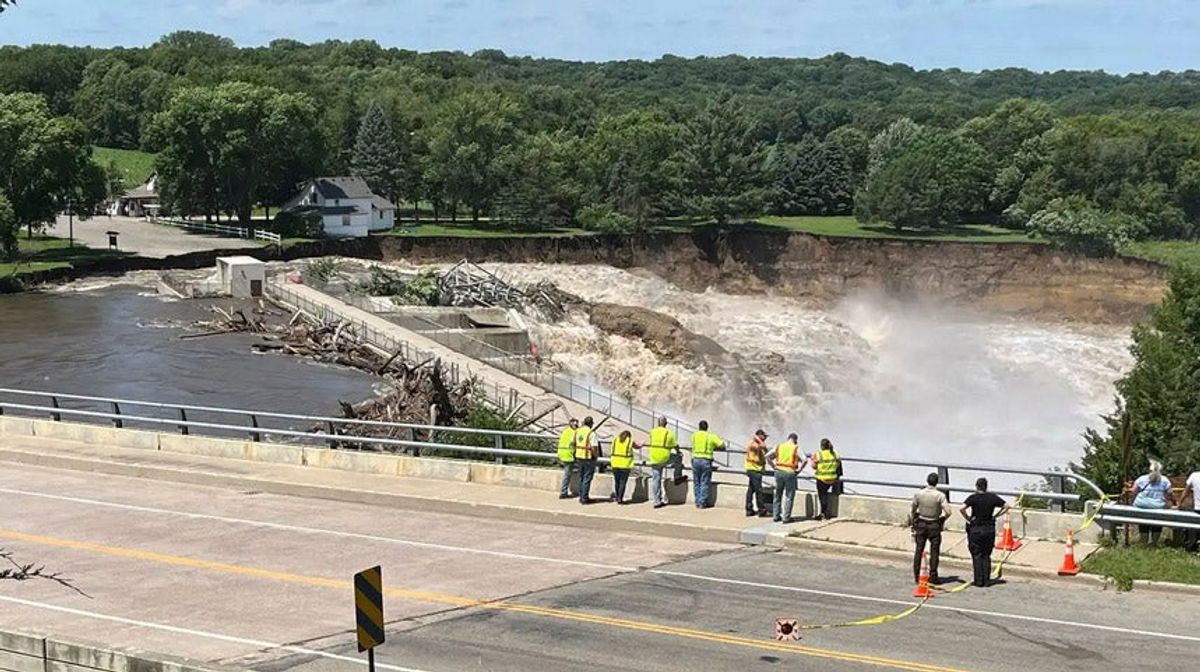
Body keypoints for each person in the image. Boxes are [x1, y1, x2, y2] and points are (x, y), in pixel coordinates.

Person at [961, 478, 1010, 587]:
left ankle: (979, 580)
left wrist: (968, 518)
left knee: (977, 555)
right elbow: (1006, 506)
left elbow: (962, 508)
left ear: (977, 486)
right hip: (989, 529)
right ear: (986, 486)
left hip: (976, 529)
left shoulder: (973, 498)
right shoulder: (992, 497)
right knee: (986, 555)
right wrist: (996, 516)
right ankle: (987, 580)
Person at [911, 473, 951, 585]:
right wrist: (942, 519)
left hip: (921, 522)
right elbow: (948, 512)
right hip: (934, 523)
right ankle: (933, 575)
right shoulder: (940, 495)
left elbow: (913, 508)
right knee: (934, 551)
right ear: (936, 482)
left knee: (919, 550)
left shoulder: (919, 494)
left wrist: (914, 518)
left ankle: (917, 575)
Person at [1132, 460, 1174, 547]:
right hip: (1157, 506)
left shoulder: (1141, 478)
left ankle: (1144, 544)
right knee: (1157, 525)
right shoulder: (1164, 480)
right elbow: (1170, 493)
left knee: (1143, 524)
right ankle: (1154, 544)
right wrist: (1172, 502)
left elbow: (1134, 491)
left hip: (1141, 505)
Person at [767, 433, 805, 523]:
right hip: (790, 473)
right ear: (795, 440)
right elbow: (805, 460)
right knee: (789, 495)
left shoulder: (779, 446)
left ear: (788, 438)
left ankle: (776, 516)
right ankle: (786, 517)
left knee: (778, 494)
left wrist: (773, 466)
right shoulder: (796, 448)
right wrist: (799, 470)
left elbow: (767, 456)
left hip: (778, 472)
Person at [690, 420, 727, 509]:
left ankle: (697, 501)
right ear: (707, 427)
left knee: (696, 482)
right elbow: (722, 445)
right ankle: (702, 503)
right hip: (706, 460)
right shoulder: (711, 436)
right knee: (704, 481)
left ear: (699, 427)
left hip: (695, 460)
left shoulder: (694, 435)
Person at [647, 417, 679, 509]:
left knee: (656, 480)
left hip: (654, 458)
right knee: (678, 457)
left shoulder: (652, 432)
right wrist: (678, 451)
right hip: (665, 458)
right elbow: (675, 445)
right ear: (666, 423)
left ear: (658, 423)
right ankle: (677, 475)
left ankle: (657, 501)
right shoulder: (669, 433)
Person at [812, 438, 842, 520]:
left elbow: (813, 466)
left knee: (822, 496)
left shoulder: (818, 454)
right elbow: (838, 463)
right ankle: (823, 513)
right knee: (825, 495)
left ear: (821, 446)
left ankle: (823, 514)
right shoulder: (835, 454)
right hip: (833, 478)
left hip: (822, 479)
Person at [744, 429, 769, 517]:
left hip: (754, 470)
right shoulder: (753, 444)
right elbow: (763, 447)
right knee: (759, 491)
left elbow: (766, 450)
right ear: (759, 436)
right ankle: (761, 510)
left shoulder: (756, 443)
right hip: (754, 470)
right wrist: (757, 439)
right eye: (764, 436)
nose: (765, 438)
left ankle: (749, 509)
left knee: (751, 490)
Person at [574, 416, 599, 504]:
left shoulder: (578, 431)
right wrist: (596, 456)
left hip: (579, 456)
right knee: (587, 478)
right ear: (591, 424)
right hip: (588, 457)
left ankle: (581, 496)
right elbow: (594, 447)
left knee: (581, 477)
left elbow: (573, 442)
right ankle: (584, 498)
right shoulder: (591, 433)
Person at [609, 430, 635, 504]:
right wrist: (641, 444)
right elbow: (636, 446)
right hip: (625, 464)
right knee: (622, 482)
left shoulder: (615, 440)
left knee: (617, 481)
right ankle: (620, 498)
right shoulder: (629, 441)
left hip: (615, 463)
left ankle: (617, 496)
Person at [1179, 466, 1200, 553]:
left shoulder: (1194, 475)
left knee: (1195, 529)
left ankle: (1192, 547)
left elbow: (1186, 491)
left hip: (1198, 507)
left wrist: (1179, 503)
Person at [556, 418, 578, 499]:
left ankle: (564, 491)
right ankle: (563, 492)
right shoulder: (574, 432)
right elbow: (574, 442)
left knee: (567, 473)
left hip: (561, 453)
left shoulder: (565, 431)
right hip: (568, 454)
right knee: (567, 474)